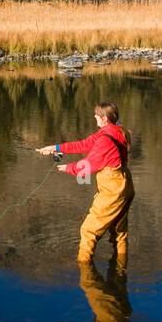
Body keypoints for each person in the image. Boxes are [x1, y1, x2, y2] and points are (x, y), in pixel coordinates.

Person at [36, 101, 134, 263]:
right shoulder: (116, 130)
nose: (94, 116)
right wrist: (55, 148)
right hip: (126, 185)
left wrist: (68, 168)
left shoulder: (105, 139)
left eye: (97, 114)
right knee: (119, 232)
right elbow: (84, 145)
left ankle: (85, 273)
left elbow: (89, 166)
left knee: (88, 231)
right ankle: (121, 267)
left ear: (104, 119)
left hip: (113, 190)